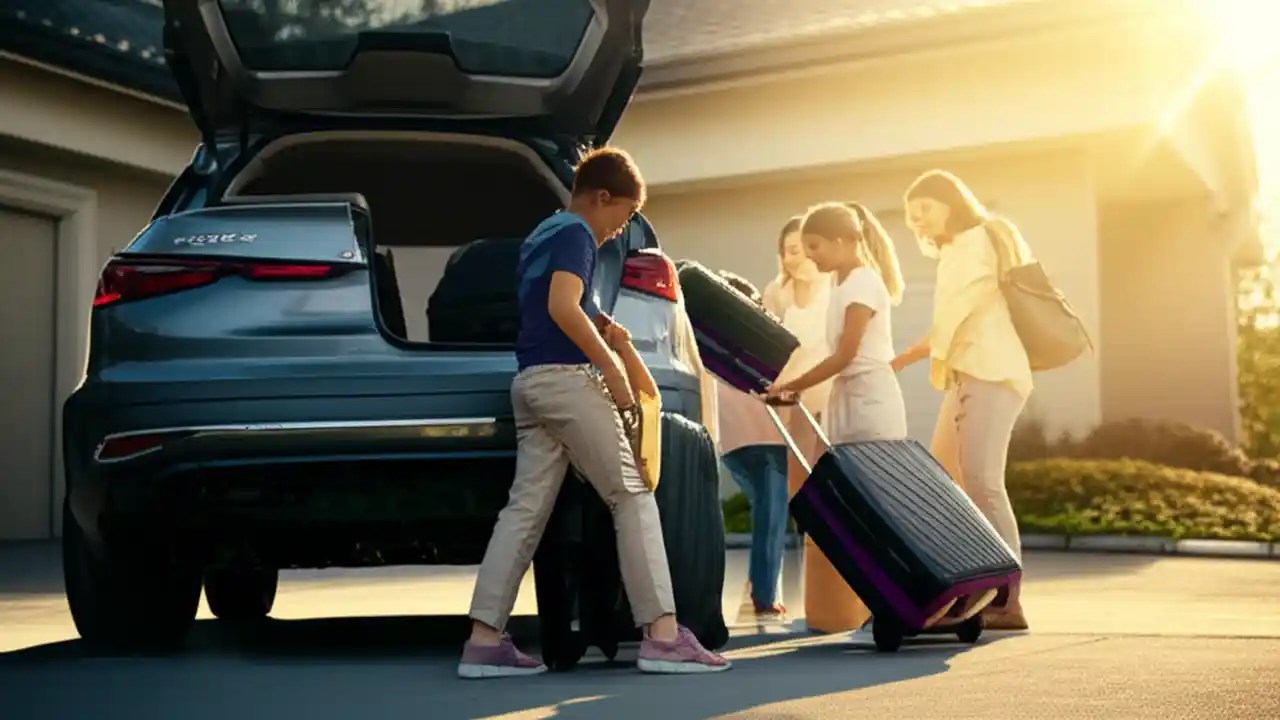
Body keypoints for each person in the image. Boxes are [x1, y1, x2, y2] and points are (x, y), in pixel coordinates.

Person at [459, 147, 731, 678]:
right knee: (631, 495)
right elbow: (562, 306)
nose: (619, 231)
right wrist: (611, 368)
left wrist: (602, 321)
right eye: (624, 216)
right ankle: (663, 634)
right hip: (566, 381)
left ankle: (484, 640)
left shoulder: (542, 233)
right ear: (601, 198)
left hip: (530, 382)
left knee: (523, 512)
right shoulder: (578, 233)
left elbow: (556, 303)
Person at [892, 169, 1034, 631]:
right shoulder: (956, 249)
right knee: (947, 481)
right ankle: (965, 590)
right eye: (911, 217)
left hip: (989, 373)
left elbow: (955, 317)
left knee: (983, 483)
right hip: (968, 376)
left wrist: (897, 358)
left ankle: (1008, 603)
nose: (917, 223)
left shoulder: (973, 241)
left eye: (924, 211)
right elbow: (946, 324)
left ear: (952, 204)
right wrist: (902, 359)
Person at [767, 201, 908, 640]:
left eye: (815, 246)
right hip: (848, 403)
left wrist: (793, 388)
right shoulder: (841, 282)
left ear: (845, 240)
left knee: (877, 512)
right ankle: (877, 608)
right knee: (860, 513)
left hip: (871, 404)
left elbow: (845, 353)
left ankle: (892, 607)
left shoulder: (863, 282)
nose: (810, 256)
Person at [715, 271, 791, 621]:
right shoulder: (755, 345)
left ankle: (760, 591)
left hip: (731, 443)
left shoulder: (708, 345)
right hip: (766, 439)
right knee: (771, 516)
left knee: (766, 512)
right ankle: (763, 593)